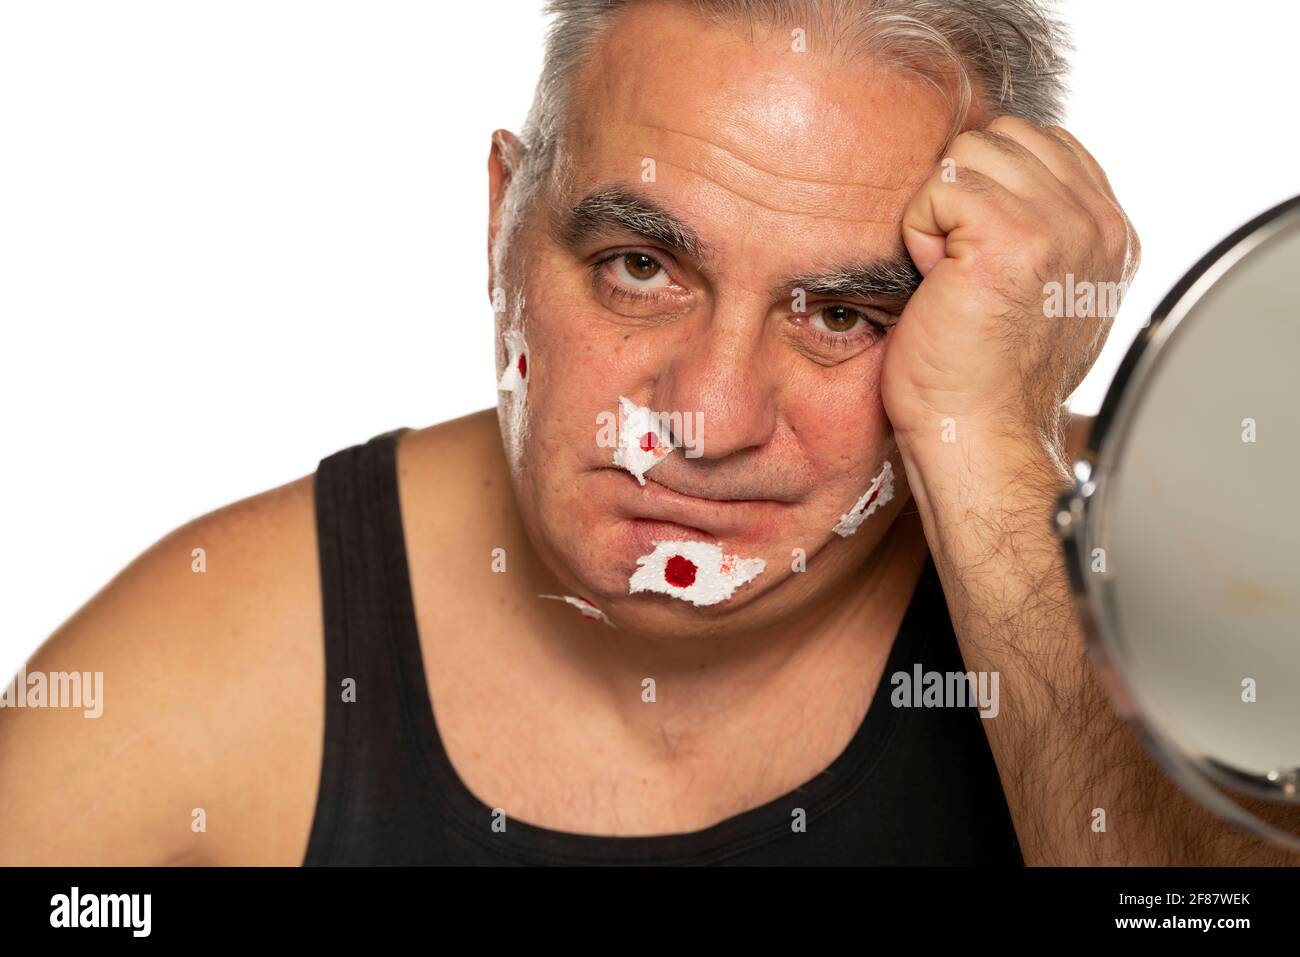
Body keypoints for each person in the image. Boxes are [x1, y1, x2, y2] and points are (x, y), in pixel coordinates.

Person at [2, 0, 1290, 866]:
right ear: (505, 220)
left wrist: (987, 442)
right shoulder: (219, 653)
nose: (708, 423)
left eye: (843, 311)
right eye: (637, 267)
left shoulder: (1201, 574)